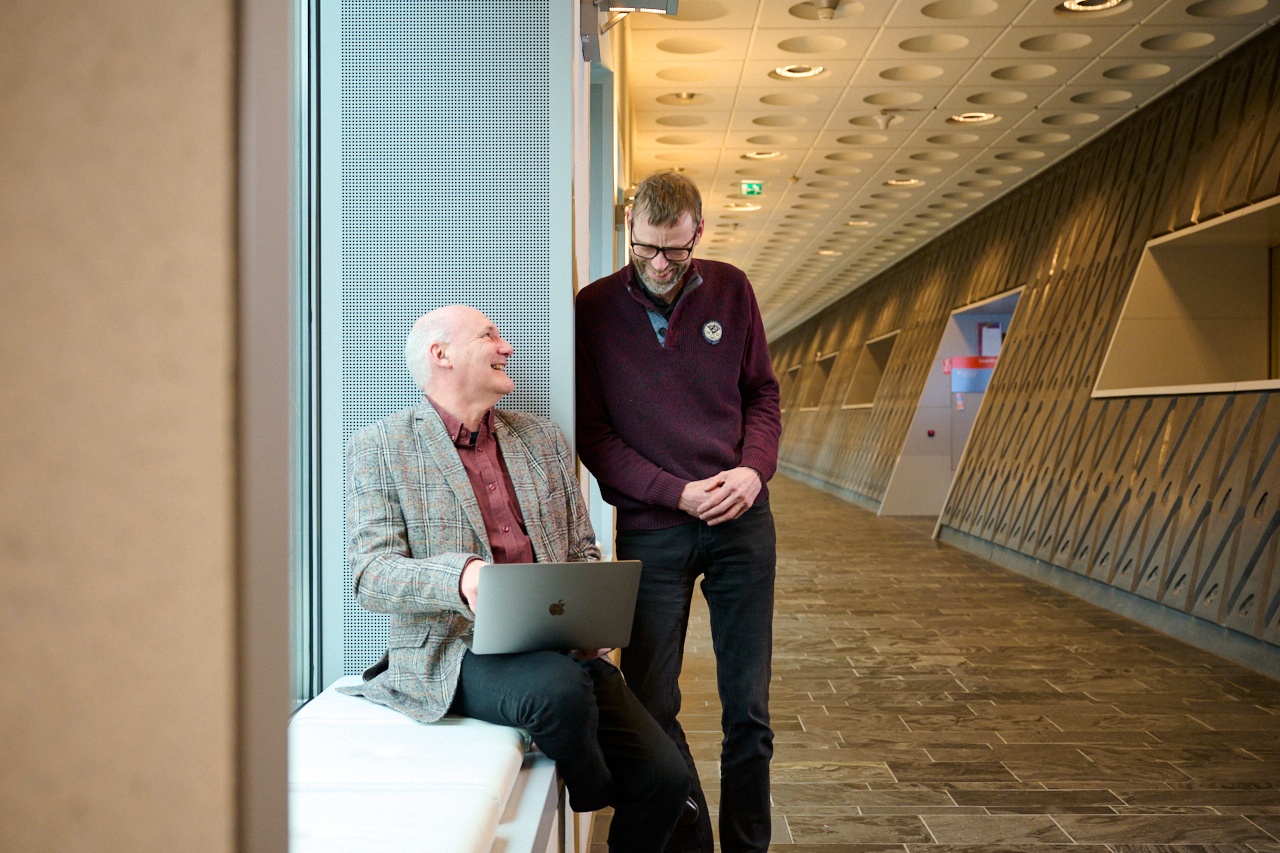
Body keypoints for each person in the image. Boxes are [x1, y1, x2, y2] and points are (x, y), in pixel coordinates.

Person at [340, 305, 692, 853]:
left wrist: (589, 609)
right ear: (442, 355)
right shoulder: (381, 447)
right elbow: (369, 574)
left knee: (668, 783)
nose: (507, 348)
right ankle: (594, 789)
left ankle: (603, 782)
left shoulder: (542, 441)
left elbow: (581, 548)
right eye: (491, 336)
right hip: (458, 652)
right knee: (558, 695)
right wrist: (461, 578)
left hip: (557, 647)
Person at [575, 172, 782, 853]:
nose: (661, 264)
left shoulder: (733, 289)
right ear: (629, 230)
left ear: (699, 231)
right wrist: (676, 492)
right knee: (651, 704)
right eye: (647, 248)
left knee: (748, 712)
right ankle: (692, 839)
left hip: (741, 526)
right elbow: (597, 438)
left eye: (677, 249)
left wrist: (753, 470)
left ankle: (748, 845)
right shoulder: (594, 309)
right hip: (654, 529)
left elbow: (761, 395)